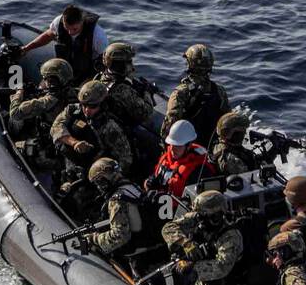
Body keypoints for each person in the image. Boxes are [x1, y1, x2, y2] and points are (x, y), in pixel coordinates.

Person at [161, 189, 243, 285]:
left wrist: (192, 267)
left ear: (216, 215)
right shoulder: (198, 218)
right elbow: (168, 228)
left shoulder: (230, 235)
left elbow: (222, 267)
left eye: (206, 217)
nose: (201, 221)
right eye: (200, 216)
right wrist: (185, 243)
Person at [66, 158, 159, 264]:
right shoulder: (133, 187)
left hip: (137, 253)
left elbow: (120, 236)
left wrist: (93, 239)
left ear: (103, 179)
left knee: (87, 242)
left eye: (98, 182)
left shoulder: (116, 199)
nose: (98, 187)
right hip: (150, 242)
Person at [50, 79, 133, 182]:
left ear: (102, 104)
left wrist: (103, 173)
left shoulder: (110, 127)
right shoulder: (73, 110)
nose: (86, 110)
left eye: (92, 106)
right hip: (68, 159)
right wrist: (74, 143)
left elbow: (125, 159)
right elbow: (56, 127)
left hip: (90, 173)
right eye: (84, 104)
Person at [97, 41, 159, 175]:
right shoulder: (122, 89)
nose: (132, 67)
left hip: (108, 124)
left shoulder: (102, 78)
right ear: (119, 66)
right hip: (120, 131)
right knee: (153, 142)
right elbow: (146, 112)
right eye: (129, 63)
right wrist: (147, 92)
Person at [8, 58, 74, 179]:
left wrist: (18, 95)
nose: (44, 81)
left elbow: (15, 113)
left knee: (12, 148)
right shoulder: (76, 94)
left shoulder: (48, 102)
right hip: (67, 147)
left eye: (47, 79)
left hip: (53, 152)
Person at [18, 4, 109, 83]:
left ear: (82, 22)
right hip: (63, 68)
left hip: (87, 73)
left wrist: (92, 80)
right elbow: (48, 36)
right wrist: (26, 48)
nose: (70, 32)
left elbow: (105, 62)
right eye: (67, 28)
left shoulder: (98, 36)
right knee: (44, 87)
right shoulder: (58, 22)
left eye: (74, 29)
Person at [161, 44, 230, 145]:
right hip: (211, 148)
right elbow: (227, 121)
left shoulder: (181, 92)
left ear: (190, 64)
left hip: (189, 149)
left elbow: (169, 125)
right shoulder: (219, 91)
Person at [148, 119, 217, 198]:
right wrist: (149, 182)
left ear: (189, 145)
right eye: (172, 144)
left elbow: (193, 201)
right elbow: (155, 174)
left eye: (178, 145)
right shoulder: (166, 157)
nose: (173, 149)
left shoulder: (199, 170)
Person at [210, 111, 263, 175]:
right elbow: (252, 175)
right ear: (226, 133)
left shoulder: (219, 145)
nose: (243, 135)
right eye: (238, 133)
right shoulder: (230, 159)